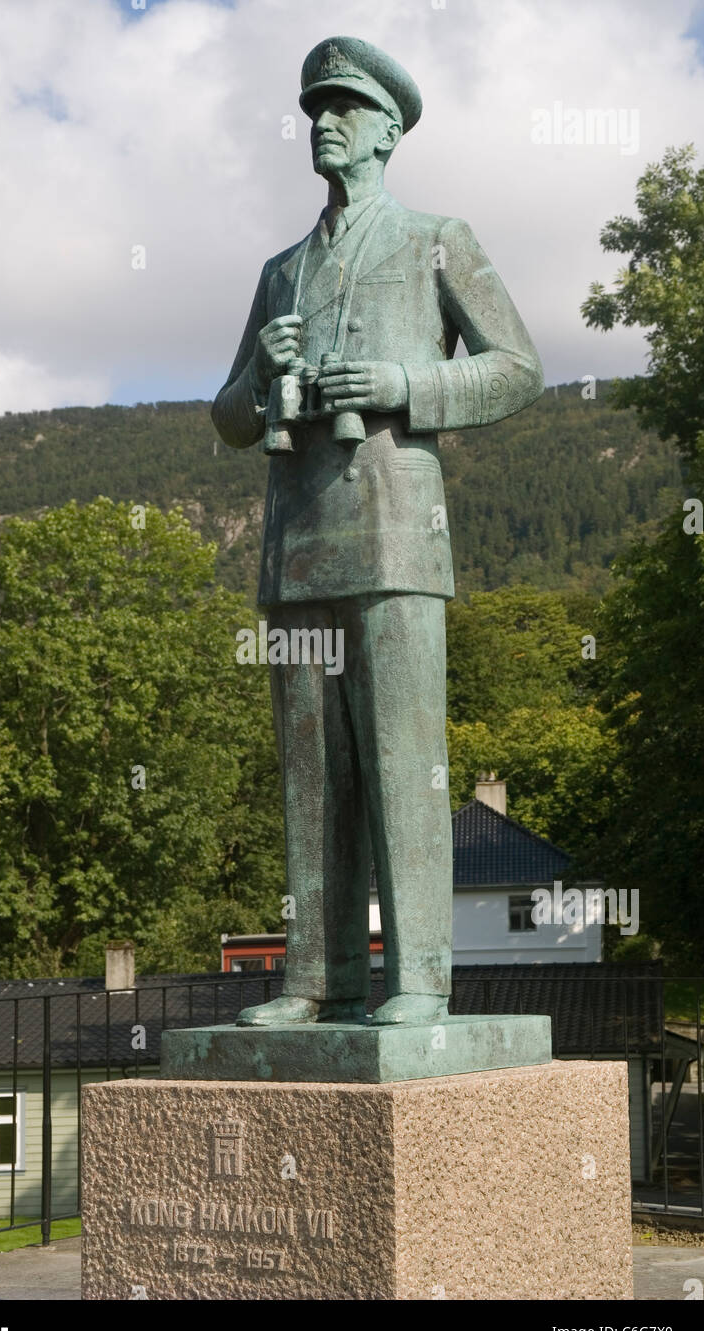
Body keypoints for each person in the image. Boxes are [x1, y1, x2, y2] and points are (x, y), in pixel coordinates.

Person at [212, 37, 544, 1026]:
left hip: (398, 538)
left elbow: (516, 367)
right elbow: (227, 416)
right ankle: (315, 977)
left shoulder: (435, 238)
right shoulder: (279, 272)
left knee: (402, 760)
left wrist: (404, 385)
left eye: (345, 108)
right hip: (297, 548)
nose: (323, 122)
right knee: (311, 773)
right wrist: (261, 375)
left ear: (388, 130)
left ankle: (417, 980)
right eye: (316, 107)